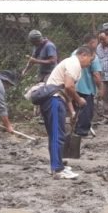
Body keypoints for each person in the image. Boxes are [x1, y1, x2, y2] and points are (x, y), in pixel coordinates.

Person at [42, 47, 93, 179]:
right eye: (90, 60)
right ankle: (57, 169)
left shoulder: (72, 64)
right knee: (57, 135)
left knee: (56, 134)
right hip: (53, 100)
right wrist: (79, 100)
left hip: (56, 99)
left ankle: (57, 164)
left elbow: (67, 89)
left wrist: (72, 111)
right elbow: (69, 86)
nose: (90, 63)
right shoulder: (74, 63)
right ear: (83, 55)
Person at [73, 34, 102, 138]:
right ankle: (82, 132)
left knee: (76, 110)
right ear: (92, 42)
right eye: (96, 43)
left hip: (74, 86)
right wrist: (101, 89)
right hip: (86, 88)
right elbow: (96, 74)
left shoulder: (75, 52)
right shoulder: (92, 56)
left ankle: (74, 129)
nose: (97, 46)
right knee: (87, 111)